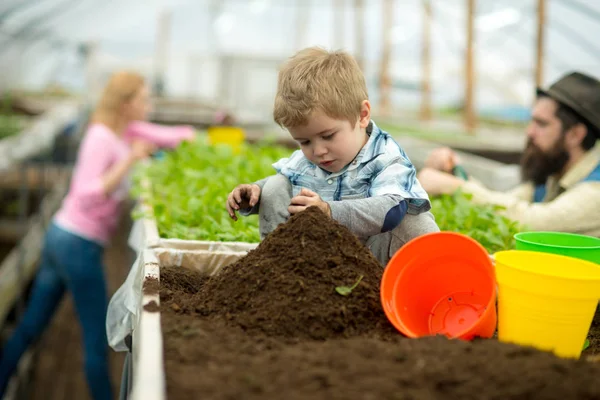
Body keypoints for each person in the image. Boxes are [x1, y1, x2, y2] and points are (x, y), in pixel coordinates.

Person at [0, 71, 195, 399]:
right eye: (144, 99)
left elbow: (166, 135)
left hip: (62, 238)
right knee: (95, 339)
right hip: (77, 245)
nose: (149, 104)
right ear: (126, 103)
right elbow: (88, 192)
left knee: (31, 326)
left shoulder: (124, 130)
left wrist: (203, 131)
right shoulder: (101, 138)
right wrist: (130, 159)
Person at [226, 47, 439, 266]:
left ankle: (430, 277)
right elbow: (289, 181)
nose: (317, 151)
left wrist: (329, 211)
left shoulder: (386, 158)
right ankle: (277, 268)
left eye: (328, 136)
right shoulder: (309, 159)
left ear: (362, 115)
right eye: (304, 142)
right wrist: (255, 193)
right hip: (320, 263)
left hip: (376, 262)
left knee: (414, 224)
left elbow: (391, 210)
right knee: (275, 185)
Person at [417, 71, 600, 237]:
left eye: (541, 124)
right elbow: (506, 203)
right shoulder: (555, 172)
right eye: (532, 121)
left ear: (575, 134)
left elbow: (533, 222)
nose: (530, 132)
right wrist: (456, 174)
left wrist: (454, 187)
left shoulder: (595, 191)